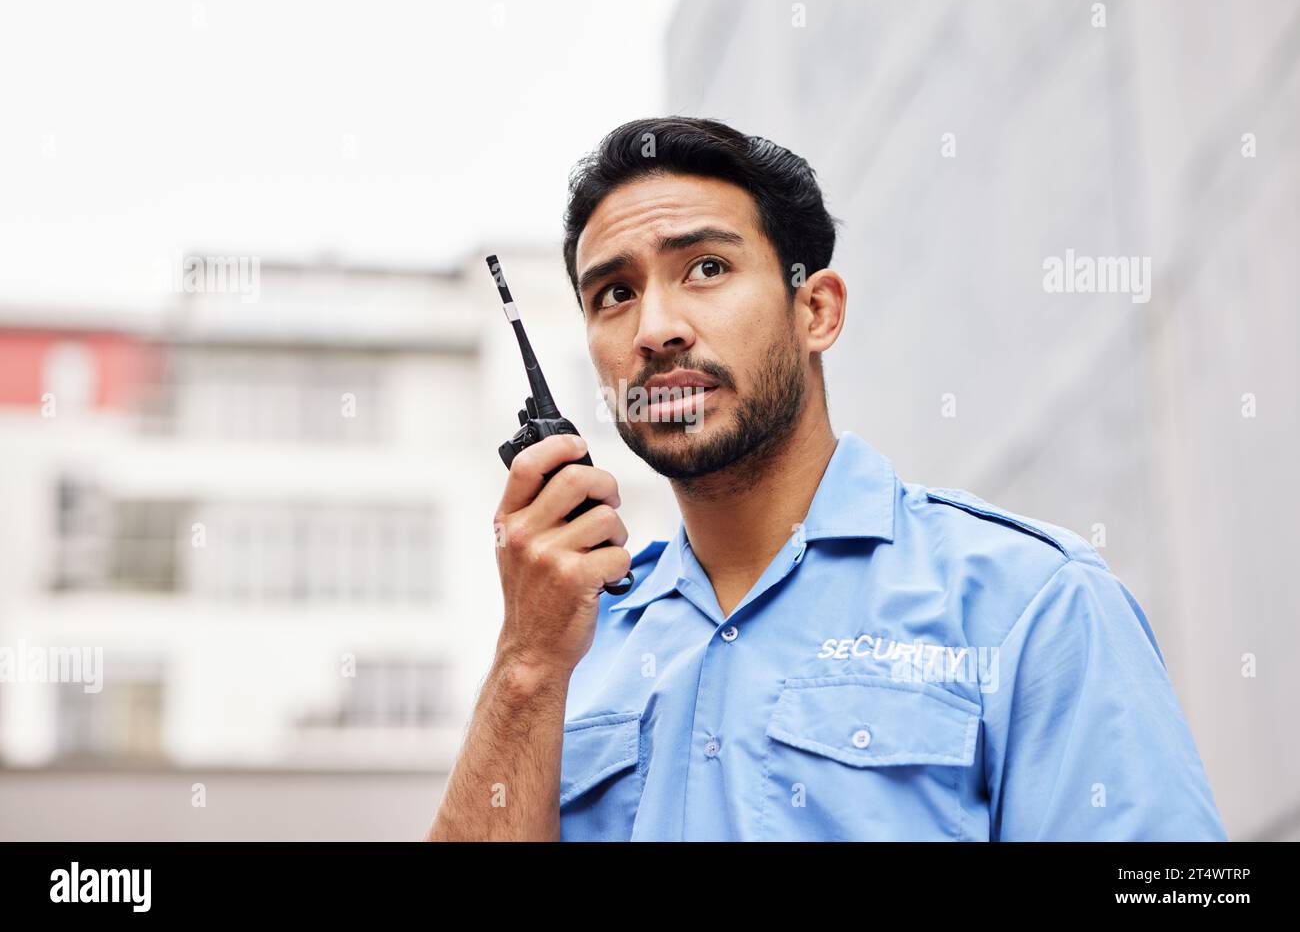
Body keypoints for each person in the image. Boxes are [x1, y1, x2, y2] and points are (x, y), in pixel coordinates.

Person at [425, 117, 1227, 841]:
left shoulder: (1033, 605)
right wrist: (526, 662)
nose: (656, 328)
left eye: (705, 267)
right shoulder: (562, 654)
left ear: (817, 311)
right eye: (615, 293)